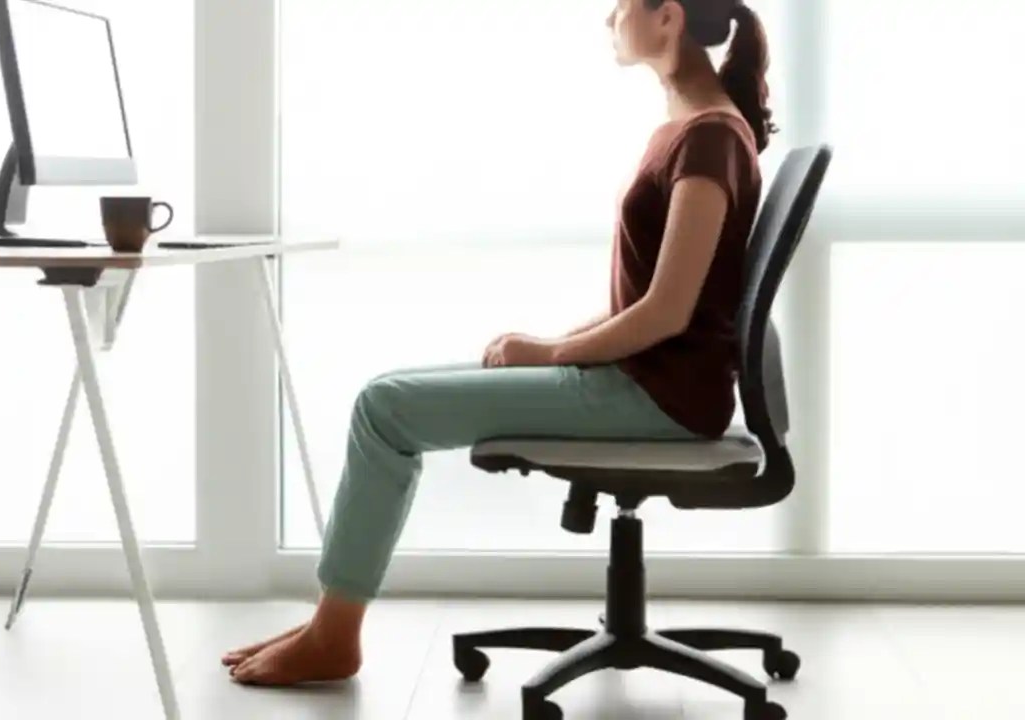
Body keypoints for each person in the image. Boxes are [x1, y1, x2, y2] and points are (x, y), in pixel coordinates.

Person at [224, 0, 776, 686]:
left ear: (666, 16)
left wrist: (548, 355)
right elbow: (645, 304)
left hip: (655, 396)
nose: (607, 17)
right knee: (395, 400)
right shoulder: (691, 129)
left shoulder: (710, 138)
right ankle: (326, 622)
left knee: (383, 407)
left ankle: (334, 634)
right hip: (644, 384)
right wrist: (548, 341)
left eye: (621, 4)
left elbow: (666, 313)